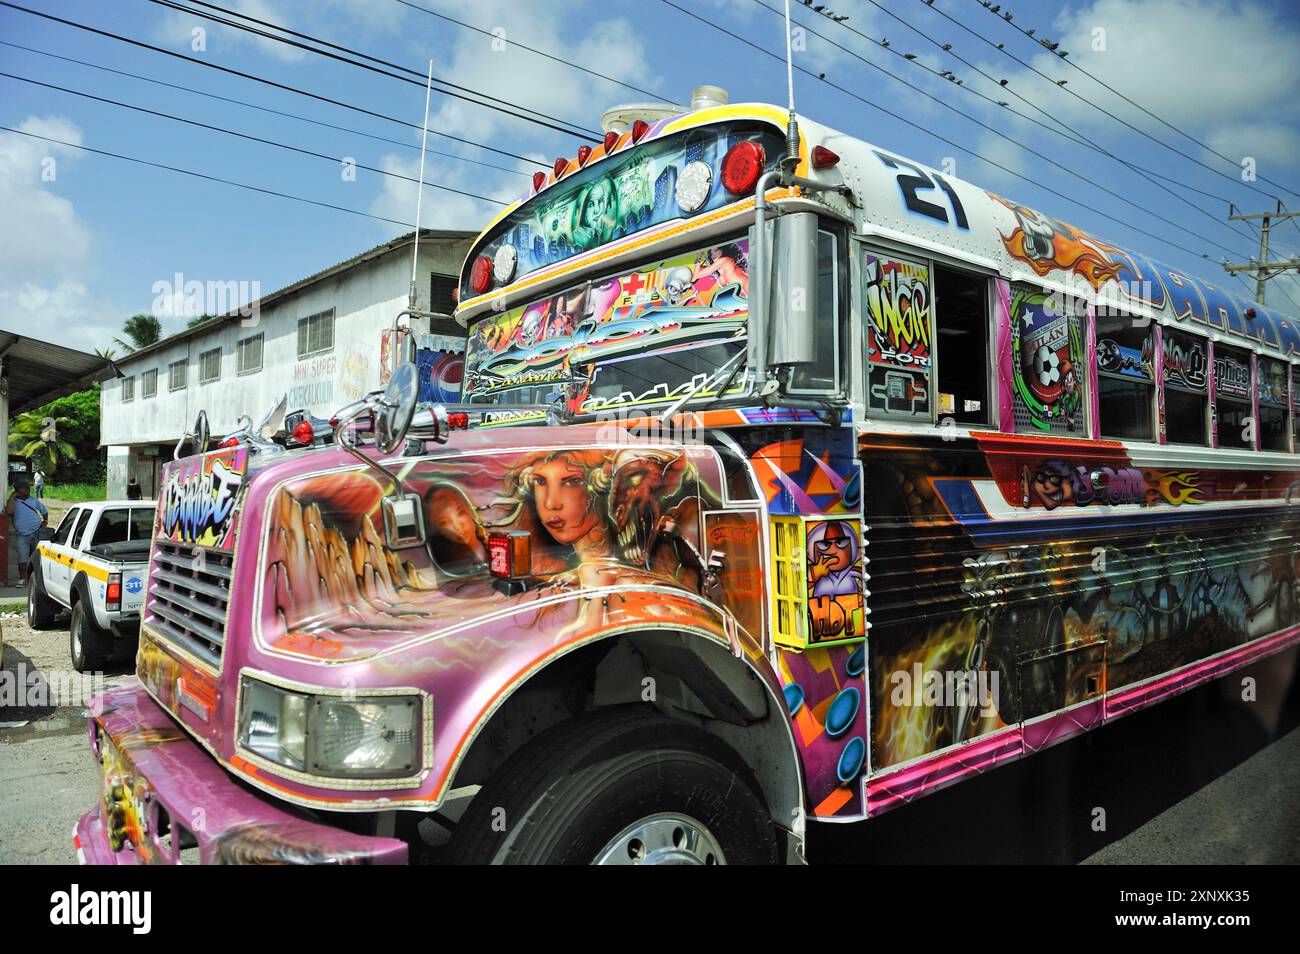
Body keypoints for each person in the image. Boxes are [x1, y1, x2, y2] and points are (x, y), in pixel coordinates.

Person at [5, 477, 49, 583]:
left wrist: (45, 522)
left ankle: (39, 579)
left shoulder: (33, 500)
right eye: (25, 488)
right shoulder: (13, 502)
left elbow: (44, 511)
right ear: (18, 490)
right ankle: (23, 579)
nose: (28, 490)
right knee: (22, 558)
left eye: (28, 488)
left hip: (37, 533)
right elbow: (9, 512)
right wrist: (12, 497)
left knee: (39, 557)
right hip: (22, 535)